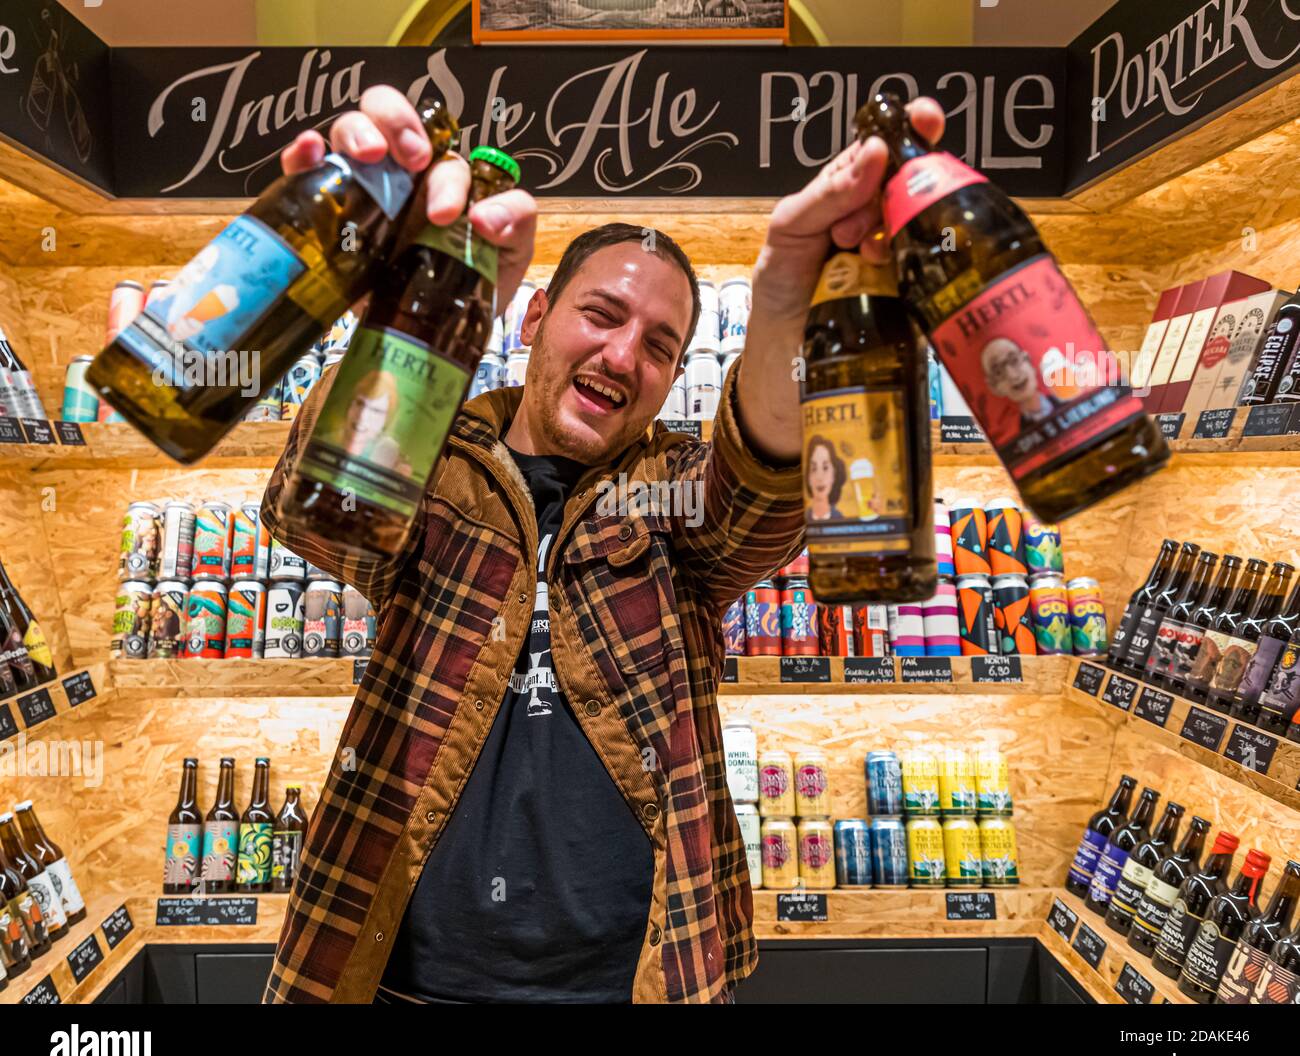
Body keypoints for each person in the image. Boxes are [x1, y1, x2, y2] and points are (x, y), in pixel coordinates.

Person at [106, 84, 942, 1004]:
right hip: (396, 976)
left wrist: (788, 291)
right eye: (602, 315)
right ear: (536, 313)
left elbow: (758, 494)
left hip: (640, 980)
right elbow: (316, 512)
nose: (625, 357)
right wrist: (426, 314)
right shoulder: (439, 461)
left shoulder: (676, 493)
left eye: (661, 346)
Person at [979, 336, 1060, 428]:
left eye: (1014, 360)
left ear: (1028, 361)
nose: (1013, 375)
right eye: (998, 372)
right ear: (994, 387)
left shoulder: (1067, 401)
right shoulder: (1021, 433)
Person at [804, 435, 847, 521]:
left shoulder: (841, 521)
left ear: (834, 475)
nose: (819, 477)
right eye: (814, 469)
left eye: (825, 468)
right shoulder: (800, 521)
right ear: (808, 477)